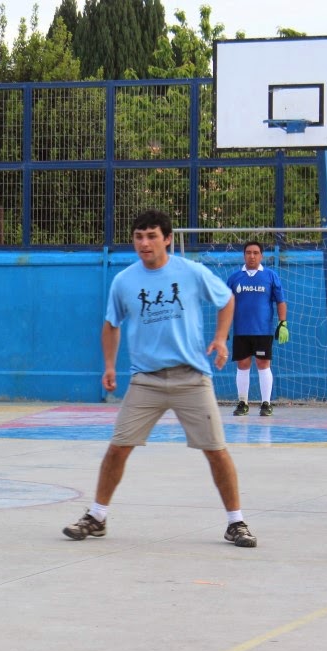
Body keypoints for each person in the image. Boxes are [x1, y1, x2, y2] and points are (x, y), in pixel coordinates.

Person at [62, 210, 257, 548]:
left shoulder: (191, 272)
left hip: (192, 377)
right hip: (146, 380)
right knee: (117, 448)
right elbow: (111, 324)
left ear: (167, 238)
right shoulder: (124, 280)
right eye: (139, 236)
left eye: (152, 236)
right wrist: (109, 366)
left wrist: (222, 338)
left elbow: (227, 301)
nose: (144, 243)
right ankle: (97, 516)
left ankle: (235, 522)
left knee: (216, 450)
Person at [227, 240, 288, 416]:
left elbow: (280, 301)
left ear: (261, 255)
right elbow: (226, 304)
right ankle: (242, 402)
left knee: (263, 364)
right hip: (241, 330)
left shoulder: (270, 276)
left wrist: (283, 323)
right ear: (244, 255)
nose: (252, 256)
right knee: (243, 364)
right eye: (248, 252)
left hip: (263, 330)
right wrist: (224, 330)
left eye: (255, 253)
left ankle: (266, 403)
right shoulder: (234, 278)